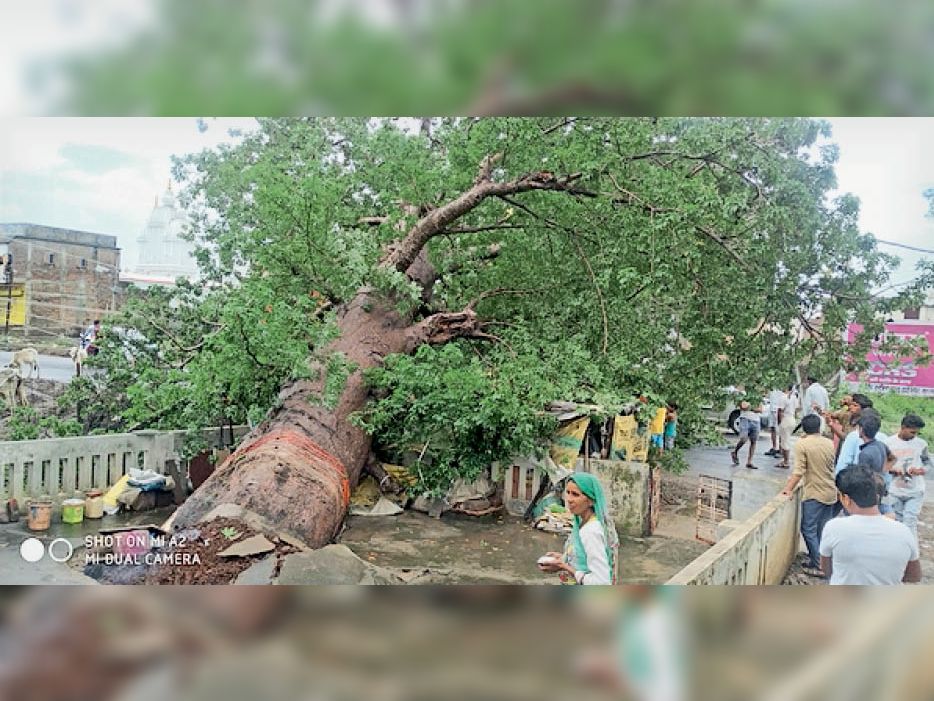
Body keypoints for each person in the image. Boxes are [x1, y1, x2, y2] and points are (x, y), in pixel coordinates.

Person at [819, 466, 921, 585]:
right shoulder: (903, 532)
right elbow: (914, 576)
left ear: (846, 499)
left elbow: (826, 569)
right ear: (877, 496)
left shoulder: (833, 528)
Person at [780, 414, 839, 577]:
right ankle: (819, 560)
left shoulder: (802, 444)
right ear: (819, 427)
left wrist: (788, 488)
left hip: (815, 493)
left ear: (804, 429)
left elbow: (799, 470)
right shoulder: (828, 443)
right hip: (830, 491)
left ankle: (820, 565)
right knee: (822, 530)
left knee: (808, 529)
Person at [538, 473, 619, 585]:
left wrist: (564, 567)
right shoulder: (583, 523)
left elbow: (601, 581)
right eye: (568, 492)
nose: (569, 499)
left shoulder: (591, 531)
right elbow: (585, 558)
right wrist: (564, 557)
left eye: (575, 494)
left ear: (591, 500)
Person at [885, 414, 931, 541]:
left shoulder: (921, 444)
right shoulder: (889, 443)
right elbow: (883, 466)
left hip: (915, 490)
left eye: (916, 433)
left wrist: (920, 470)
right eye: (912, 432)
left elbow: (928, 465)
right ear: (903, 427)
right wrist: (893, 470)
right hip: (895, 490)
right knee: (897, 522)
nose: (914, 435)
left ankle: (911, 553)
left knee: (910, 521)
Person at [855, 412, 897, 516]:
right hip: (880, 490)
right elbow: (893, 458)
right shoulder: (880, 445)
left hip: (870, 494)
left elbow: (863, 480)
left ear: (861, 429)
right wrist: (883, 470)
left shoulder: (865, 454)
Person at [730, 399, 763, 469]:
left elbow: (760, 410)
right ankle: (735, 452)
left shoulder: (758, 397)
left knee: (754, 441)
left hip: (756, 420)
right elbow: (743, 407)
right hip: (745, 419)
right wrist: (753, 408)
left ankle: (749, 462)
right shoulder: (745, 395)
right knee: (743, 439)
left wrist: (750, 407)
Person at [776, 384, 798, 469]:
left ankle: (786, 462)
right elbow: (796, 410)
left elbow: (780, 411)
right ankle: (785, 460)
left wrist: (780, 422)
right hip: (792, 419)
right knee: (786, 439)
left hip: (786, 419)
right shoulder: (794, 398)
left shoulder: (783, 397)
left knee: (785, 441)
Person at [765, 387, 787, 458]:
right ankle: (774, 447)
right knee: (772, 428)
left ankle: (781, 449)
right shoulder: (772, 383)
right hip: (772, 408)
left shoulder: (782, 382)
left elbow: (786, 391)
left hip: (779, 408)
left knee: (781, 430)